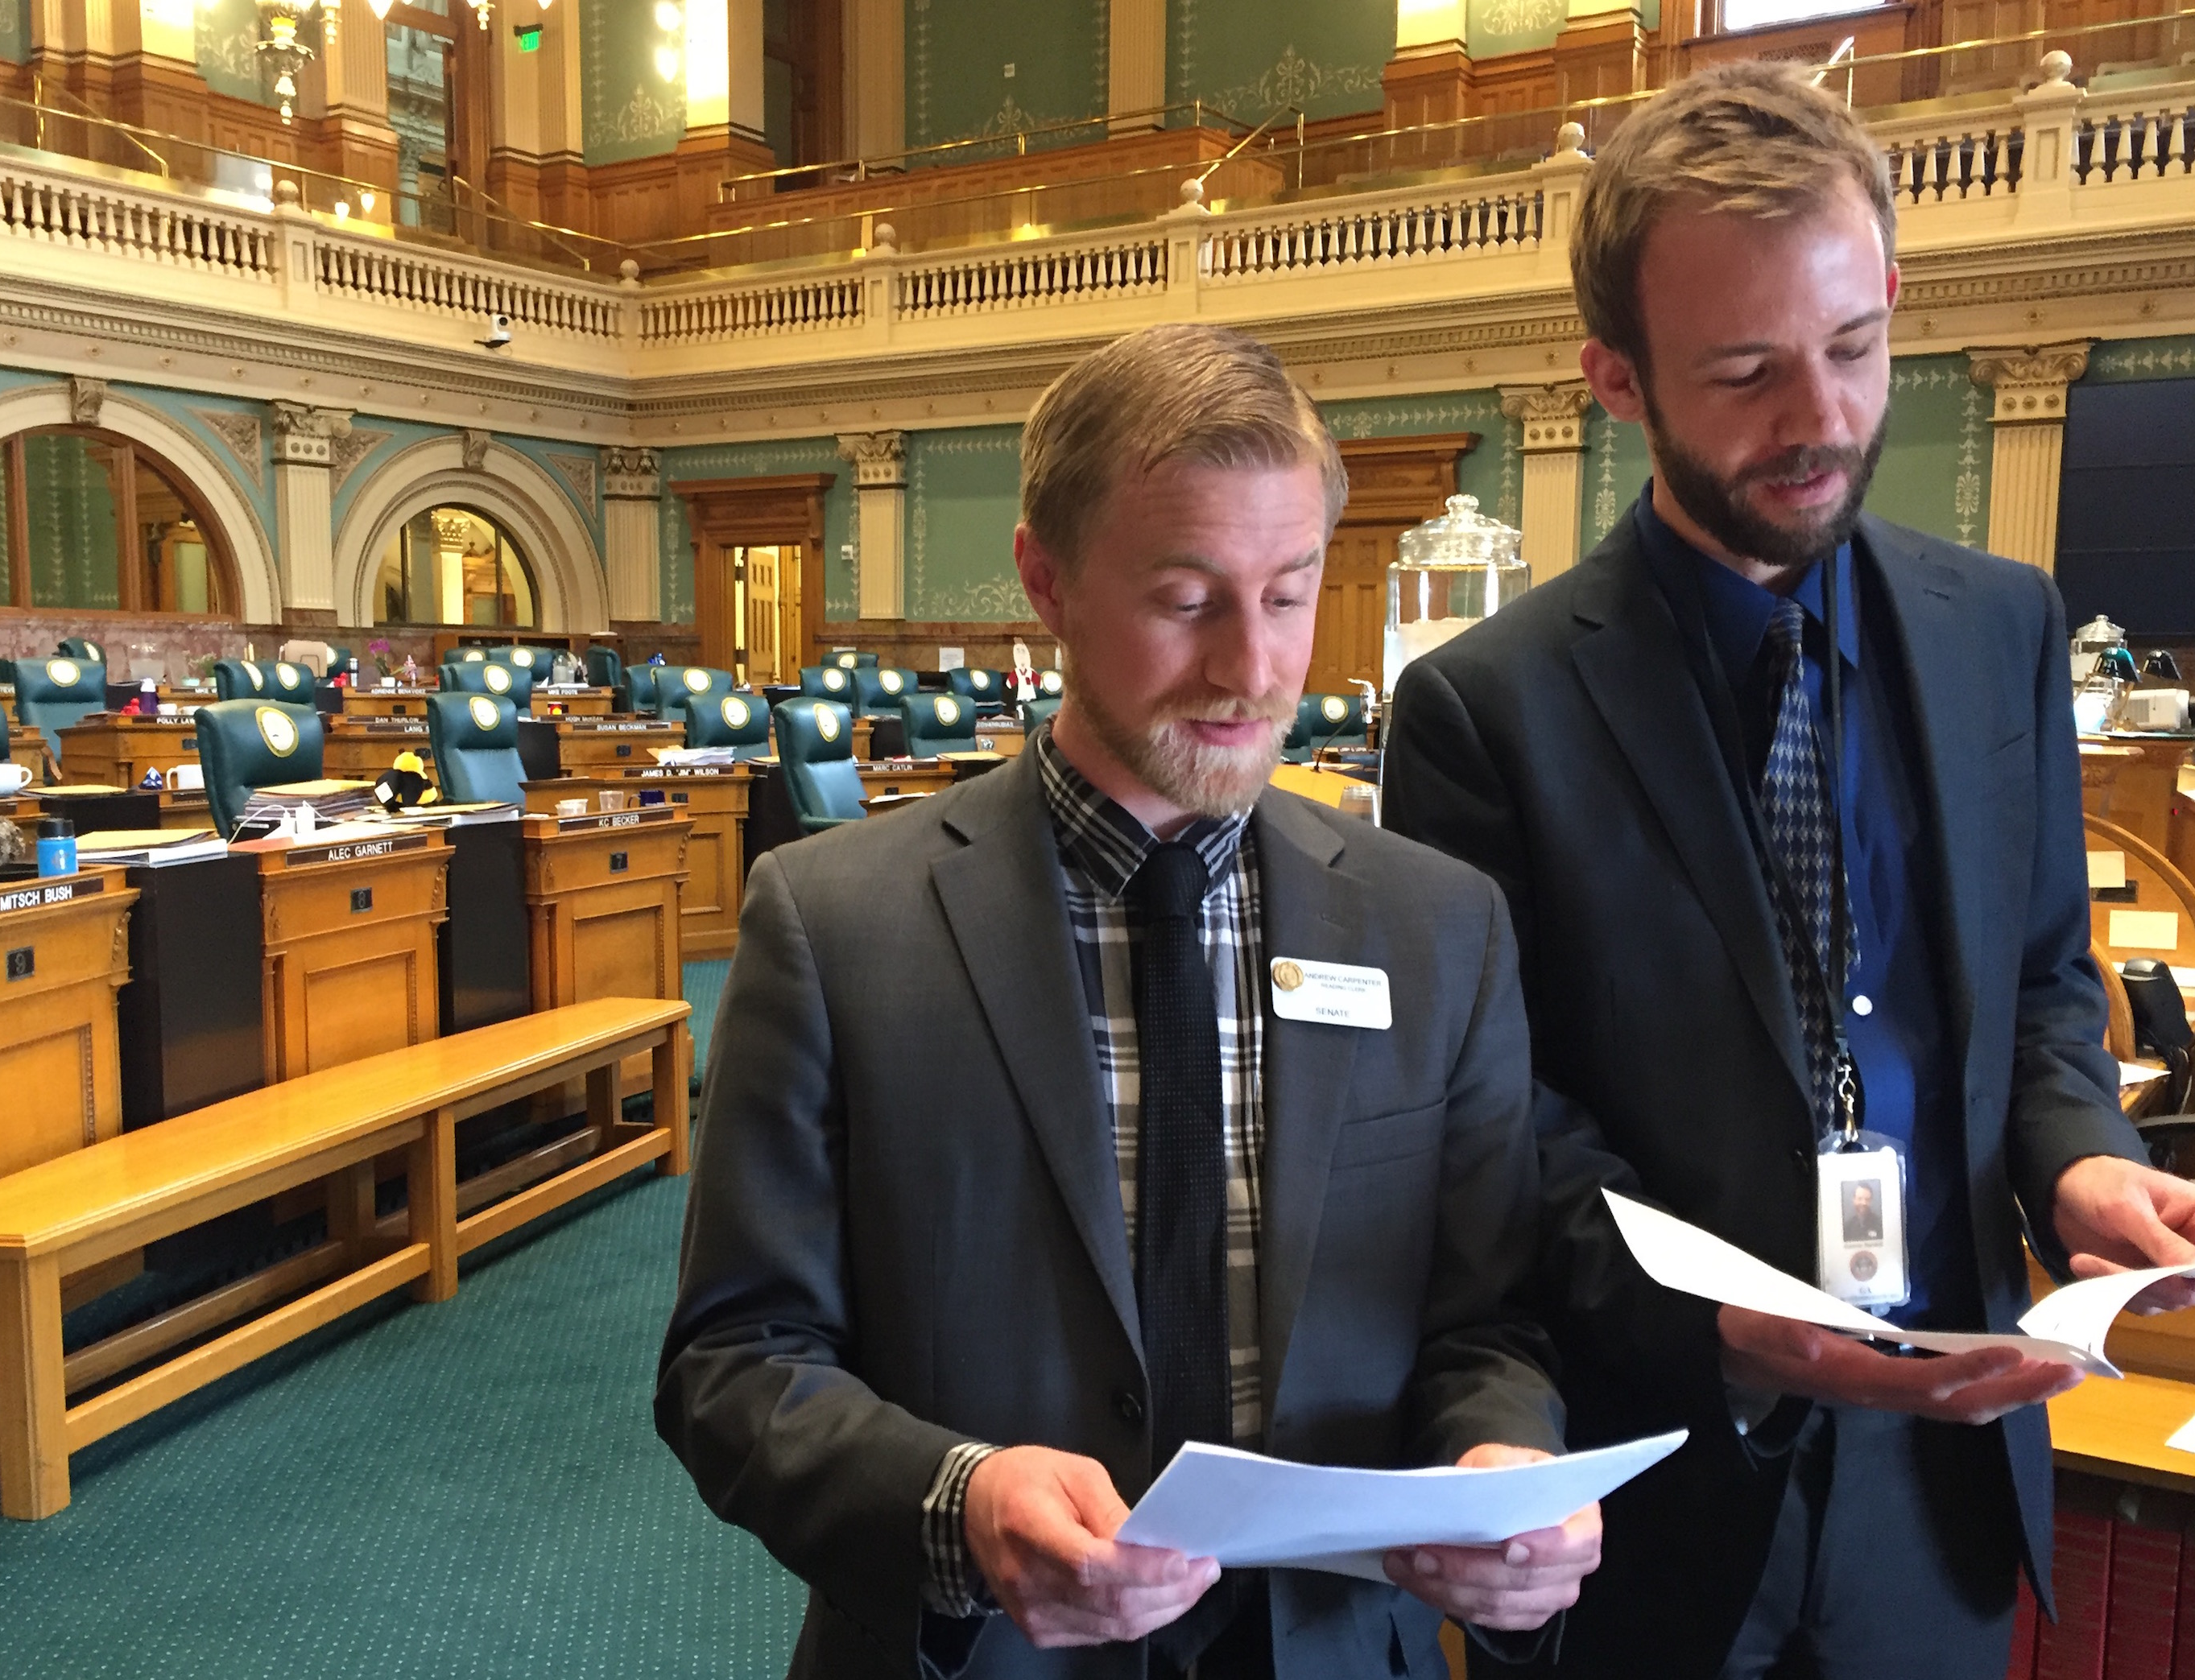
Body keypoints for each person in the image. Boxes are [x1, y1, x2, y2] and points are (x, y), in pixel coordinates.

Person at [1382, 63, 2195, 1680]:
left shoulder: (2003, 631)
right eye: (1746, 372)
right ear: (1618, 378)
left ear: (1896, 295)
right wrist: (1723, 1326)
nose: (1823, 418)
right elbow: (1492, 1136)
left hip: (1943, 1484)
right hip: (1653, 1490)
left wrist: (2077, 1165)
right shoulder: (1485, 712)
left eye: (1855, 348)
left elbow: (2044, 989)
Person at [658, 323, 1602, 1679]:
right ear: (1048, 579)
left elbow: (1486, 1322)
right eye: (1185, 598)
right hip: (976, 1653)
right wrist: (956, 1503)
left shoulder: (1437, 925)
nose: (1252, 668)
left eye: (1287, 595)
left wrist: (1499, 1463)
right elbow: (733, 1363)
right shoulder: (834, 923)